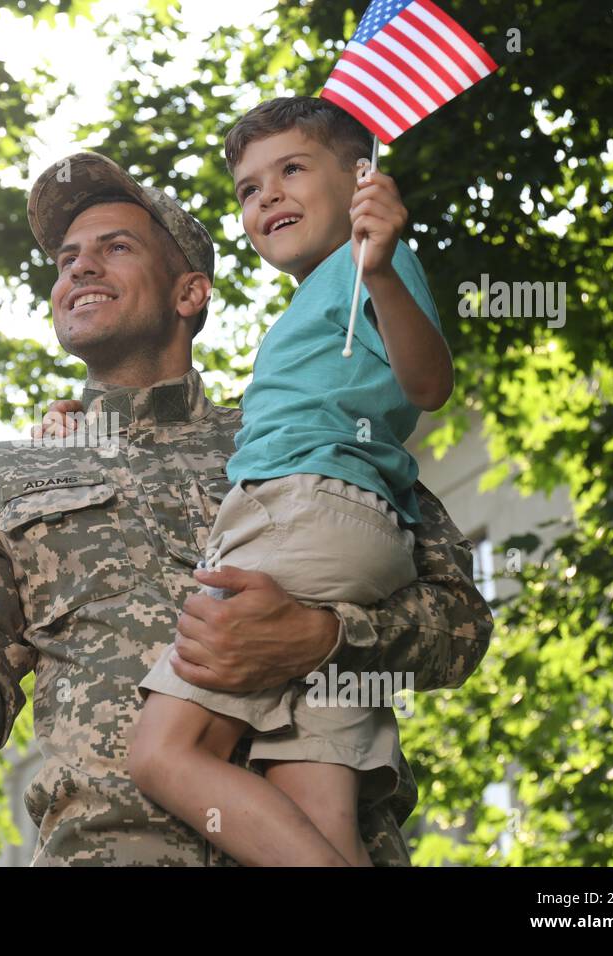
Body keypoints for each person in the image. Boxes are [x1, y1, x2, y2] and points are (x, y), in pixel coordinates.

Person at [0, 149, 493, 865]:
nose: (81, 268)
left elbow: (459, 623)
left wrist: (325, 639)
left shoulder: (298, 428)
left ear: (190, 294)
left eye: (115, 247)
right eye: (66, 260)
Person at [121, 95, 454, 867]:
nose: (267, 195)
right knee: (317, 806)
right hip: (355, 551)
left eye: (292, 169)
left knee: (163, 754)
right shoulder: (322, 298)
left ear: (360, 178)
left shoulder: (371, 264)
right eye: (248, 188)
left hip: (301, 516)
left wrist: (382, 269)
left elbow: (430, 382)